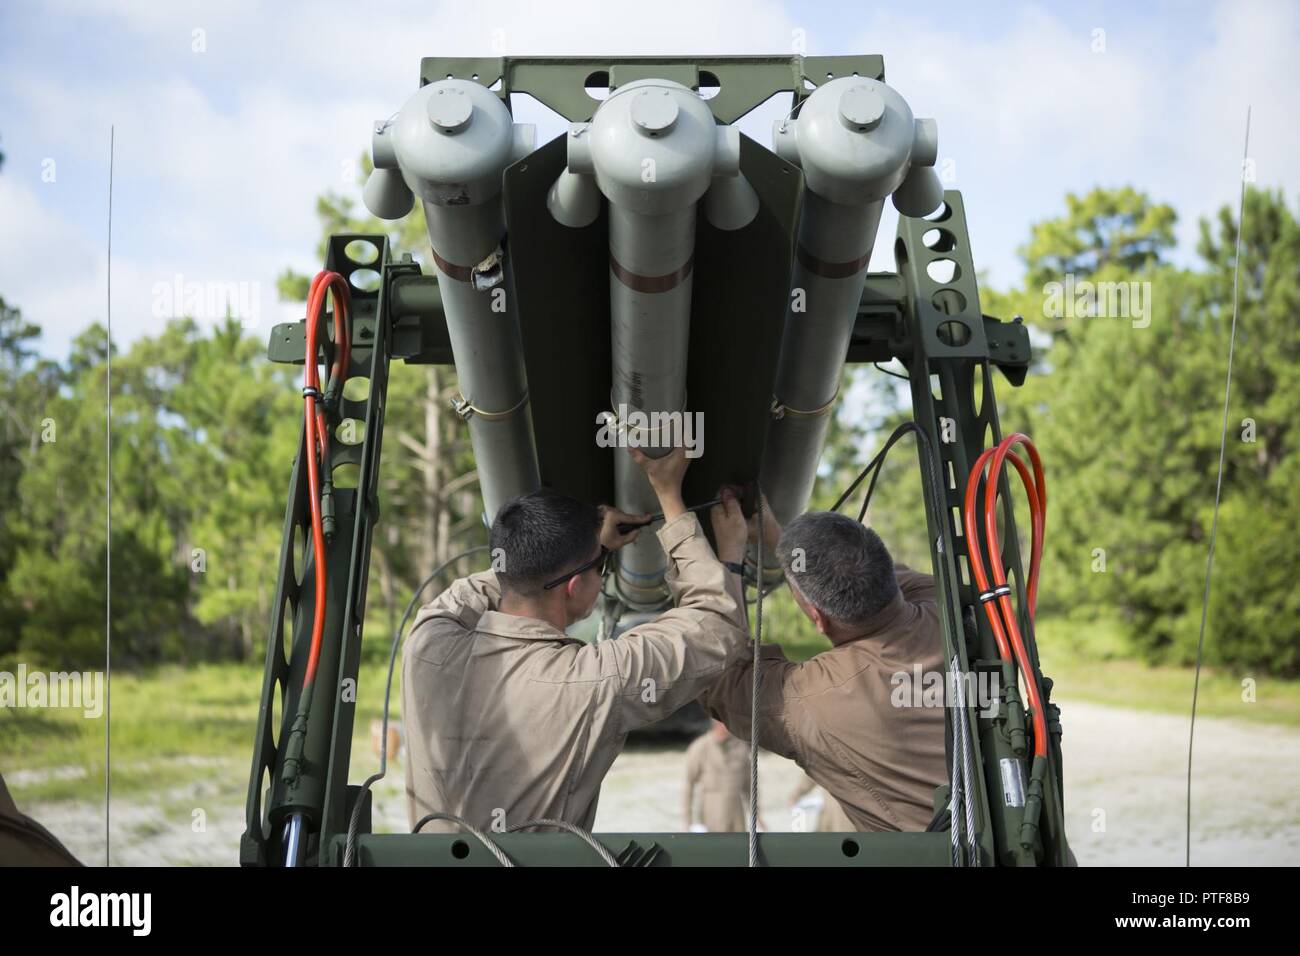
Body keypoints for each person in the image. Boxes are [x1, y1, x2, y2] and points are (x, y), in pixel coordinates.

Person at [401, 446, 751, 833]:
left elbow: (486, 586)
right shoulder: (594, 680)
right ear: (573, 586)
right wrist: (670, 498)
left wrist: (573, 551)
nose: (602, 577)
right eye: (598, 569)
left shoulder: (427, 641)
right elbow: (718, 623)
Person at [702, 507, 947, 832]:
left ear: (817, 618)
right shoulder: (948, 610)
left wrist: (730, 561)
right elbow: (873, 580)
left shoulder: (814, 699)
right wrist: (785, 543)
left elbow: (714, 670)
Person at [683, 719, 753, 833]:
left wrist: (757, 815)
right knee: (713, 847)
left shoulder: (741, 747)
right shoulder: (700, 747)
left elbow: (749, 784)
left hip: (736, 809)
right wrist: (688, 820)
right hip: (711, 807)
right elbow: (688, 783)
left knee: (739, 846)